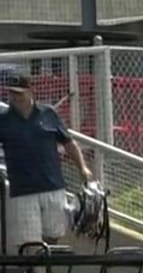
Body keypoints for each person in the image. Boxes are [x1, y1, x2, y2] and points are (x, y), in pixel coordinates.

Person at [0, 73, 93, 254]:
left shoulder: (48, 113)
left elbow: (68, 142)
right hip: (22, 190)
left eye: (19, 93)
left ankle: (44, 267)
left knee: (54, 233)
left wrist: (83, 168)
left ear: (30, 91)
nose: (15, 97)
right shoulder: (3, 120)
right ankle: (34, 270)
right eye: (12, 93)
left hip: (52, 186)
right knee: (28, 241)